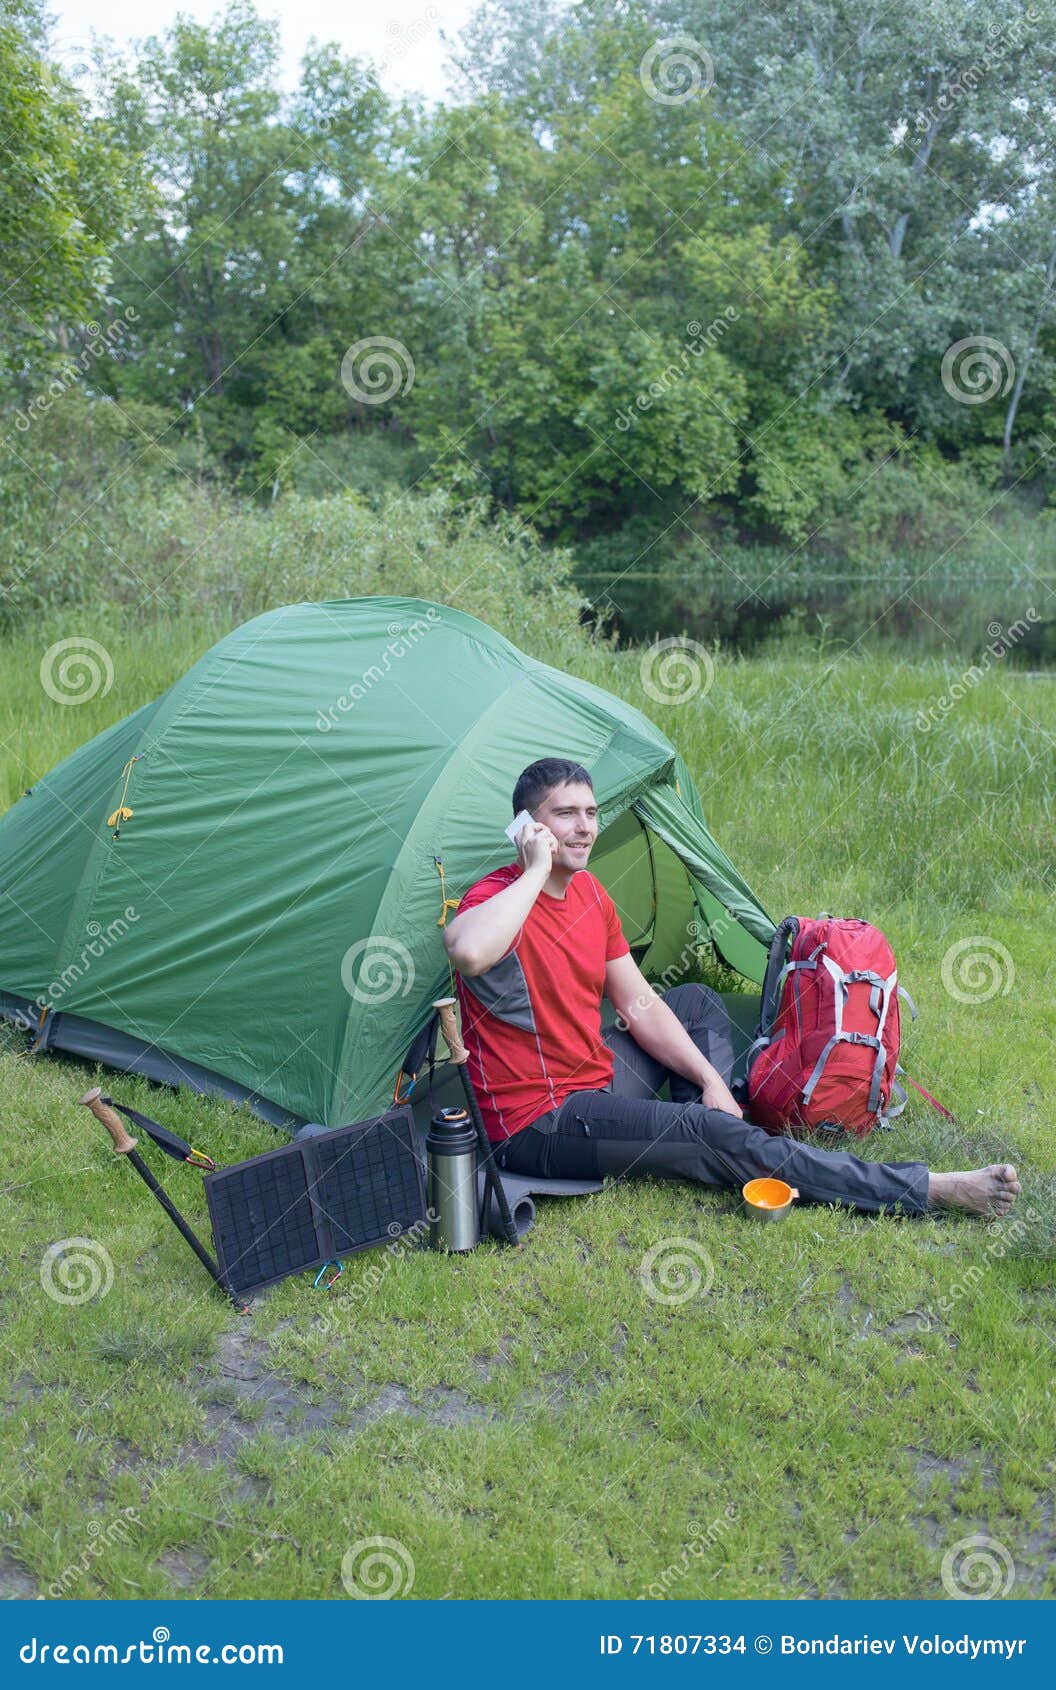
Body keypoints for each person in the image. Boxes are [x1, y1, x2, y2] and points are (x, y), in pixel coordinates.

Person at [442, 757, 1020, 1219]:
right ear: (528, 827)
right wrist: (536, 871)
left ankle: (721, 1133)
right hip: (535, 1123)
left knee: (694, 1002)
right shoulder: (495, 898)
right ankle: (925, 1189)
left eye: (591, 812)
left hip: (592, 1080)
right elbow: (468, 951)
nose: (585, 826)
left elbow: (640, 1004)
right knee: (704, 1130)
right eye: (565, 814)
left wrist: (711, 1080)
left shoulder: (591, 895)